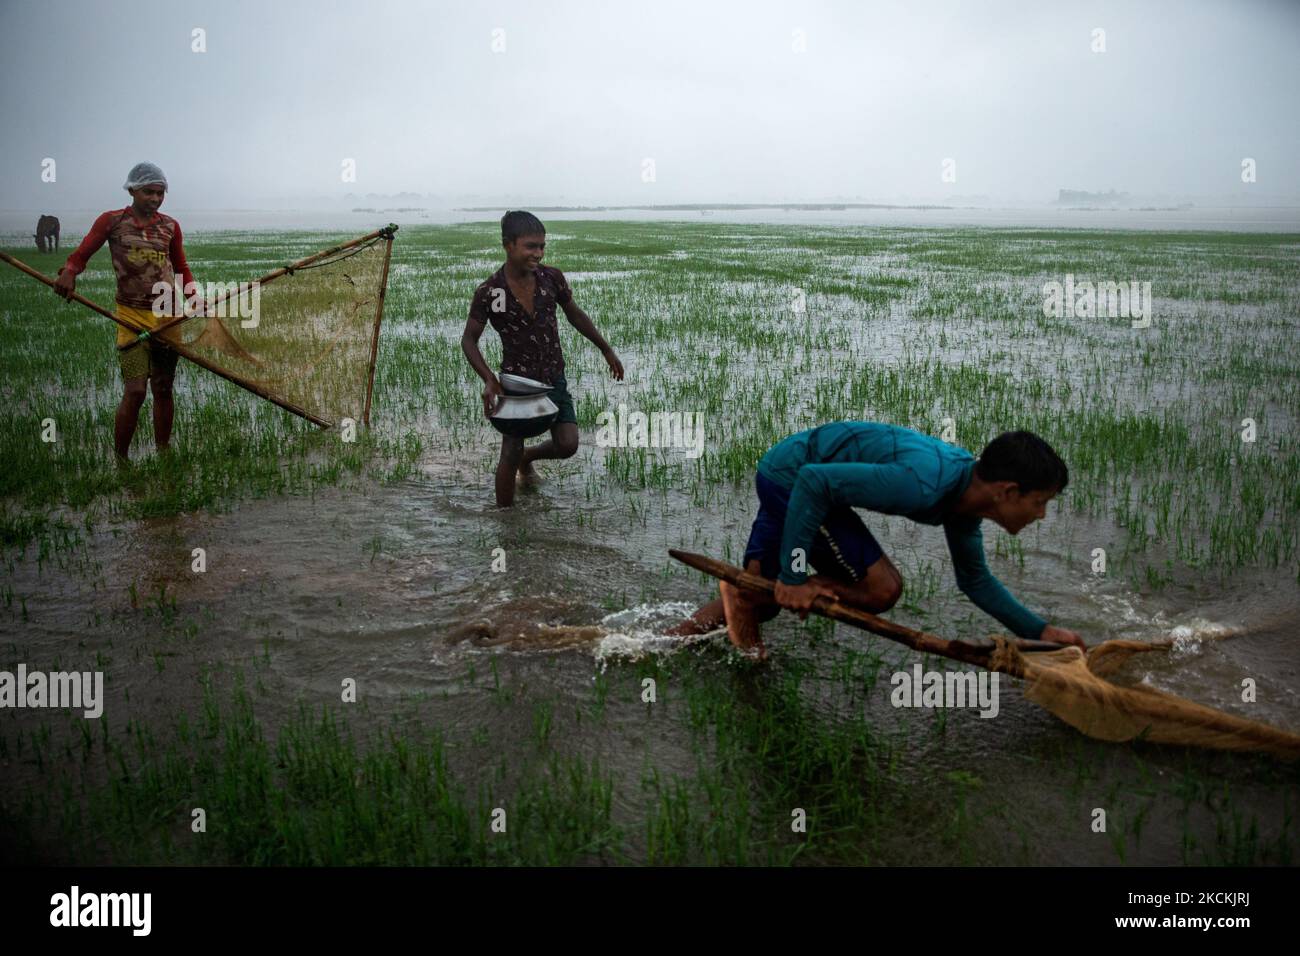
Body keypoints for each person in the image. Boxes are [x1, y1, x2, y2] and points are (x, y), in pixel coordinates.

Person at [670, 422, 1085, 659]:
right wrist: (796, 575)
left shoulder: (965, 502)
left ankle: (661, 643)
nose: (1041, 515)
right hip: (793, 477)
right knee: (882, 588)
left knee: (759, 596)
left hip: (794, 469)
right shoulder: (923, 485)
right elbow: (814, 481)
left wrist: (1042, 630)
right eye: (1040, 502)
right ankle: (761, 591)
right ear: (1008, 491)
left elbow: (974, 581)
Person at [462, 211, 624, 506]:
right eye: (530, 246)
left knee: (567, 445)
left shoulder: (551, 279)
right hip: (517, 384)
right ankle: (506, 523)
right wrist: (488, 378)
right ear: (508, 245)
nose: (538, 253)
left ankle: (529, 458)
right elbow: (469, 340)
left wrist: (606, 348)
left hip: (553, 378)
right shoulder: (491, 292)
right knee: (509, 450)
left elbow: (574, 314)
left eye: (542, 246)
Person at [53, 162, 196, 462]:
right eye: (148, 192)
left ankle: (163, 452)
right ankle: (121, 458)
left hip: (168, 316)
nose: (155, 198)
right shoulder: (112, 222)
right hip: (130, 317)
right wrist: (69, 271)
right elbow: (81, 254)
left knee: (163, 387)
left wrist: (193, 297)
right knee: (135, 391)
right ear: (132, 190)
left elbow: (180, 267)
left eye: (160, 193)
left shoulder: (170, 226)